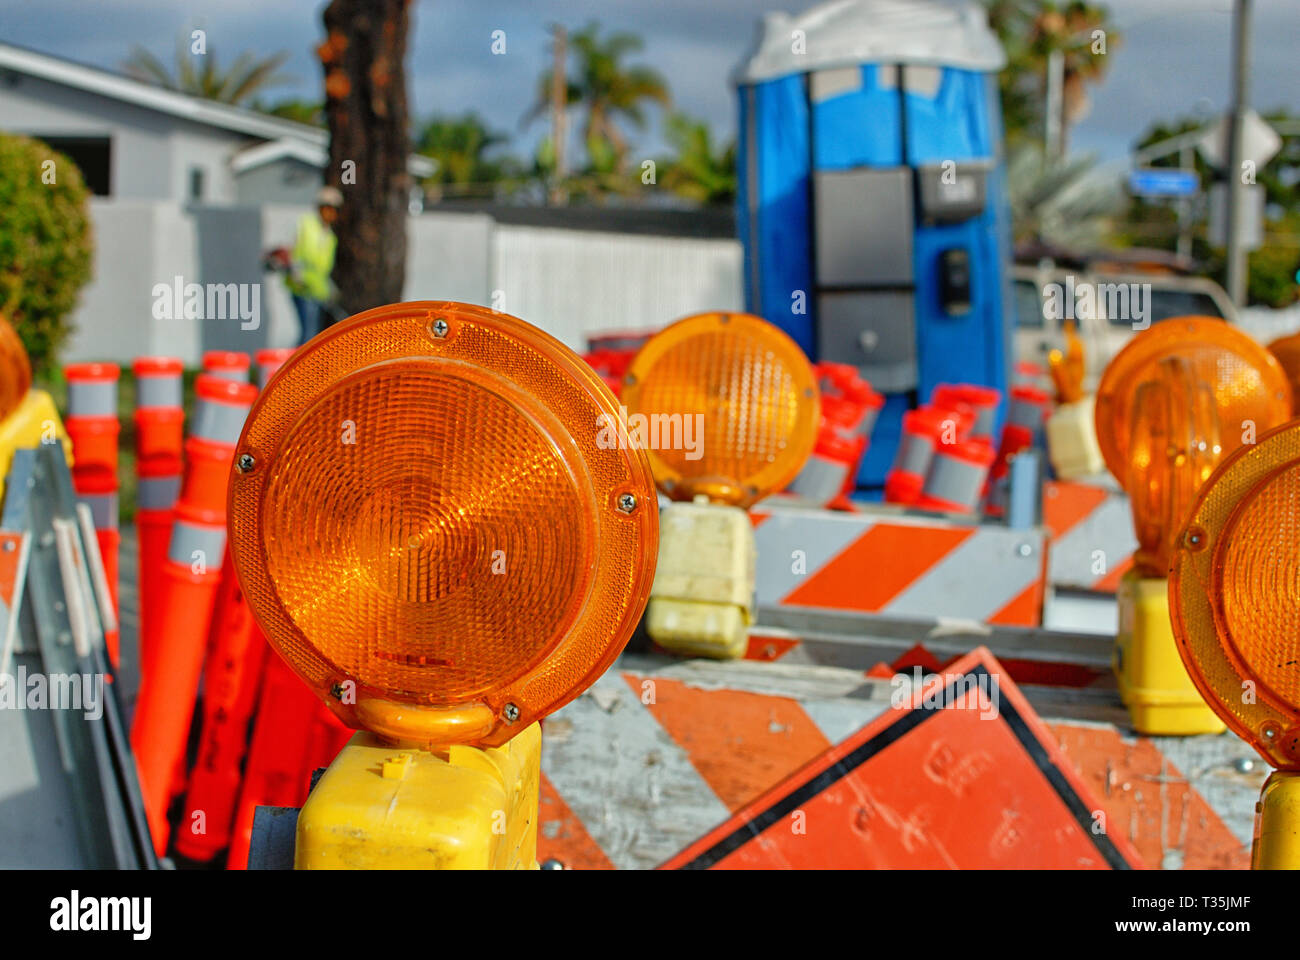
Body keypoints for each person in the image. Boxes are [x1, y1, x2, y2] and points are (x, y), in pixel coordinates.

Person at [286, 186, 341, 345]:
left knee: (312, 335)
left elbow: (322, 270)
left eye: (333, 209)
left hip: (316, 292)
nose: (330, 213)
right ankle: (299, 368)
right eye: (327, 208)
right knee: (308, 336)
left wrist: (329, 289)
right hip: (301, 289)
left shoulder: (330, 237)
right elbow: (295, 251)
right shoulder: (307, 225)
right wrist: (297, 273)